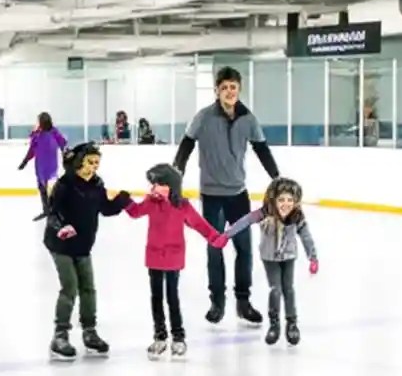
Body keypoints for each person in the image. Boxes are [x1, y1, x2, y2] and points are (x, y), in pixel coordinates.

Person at [173, 66, 280, 325]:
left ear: (238, 89)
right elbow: (185, 146)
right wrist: (176, 176)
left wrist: (277, 179)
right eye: (224, 87)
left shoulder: (249, 119)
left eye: (233, 87)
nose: (229, 92)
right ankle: (217, 302)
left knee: (244, 249)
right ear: (217, 90)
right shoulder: (203, 117)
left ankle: (243, 302)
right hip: (211, 195)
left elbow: (262, 150)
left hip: (238, 194)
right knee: (215, 248)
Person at [42, 143, 131, 360]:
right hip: (61, 245)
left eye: (96, 163)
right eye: (89, 162)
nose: (93, 168)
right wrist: (61, 227)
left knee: (89, 288)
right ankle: (60, 335)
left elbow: (105, 209)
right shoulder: (65, 185)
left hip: (83, 245)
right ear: (78, 162)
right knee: (70, 287)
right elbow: (52, 214)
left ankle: (89, 332)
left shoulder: (97, 185)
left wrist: (121, 201)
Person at [124, 164, 221, 359]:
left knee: (172, 297)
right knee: (156, 298)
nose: (153, 188)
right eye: (152, 184)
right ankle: (160, 336)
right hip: (154, 257)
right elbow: (135, 212)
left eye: (157, 184)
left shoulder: (182, 206)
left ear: (169, 185)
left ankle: (178, 337)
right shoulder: (151, 202)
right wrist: (123, 201)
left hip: (173, 258)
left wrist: (214, 237)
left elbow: (199, 224)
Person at [215, 178, 319, 346]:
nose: (286, 204)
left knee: (289, 289)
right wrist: (227, 234)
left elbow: (306, 236)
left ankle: (292, 323)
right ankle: (274, 324)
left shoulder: (297, 216)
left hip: (289, 256)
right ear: (274, 200)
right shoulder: (264, 213)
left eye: (290, 200)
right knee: (276, 289)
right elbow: (245, 221)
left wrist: (312, 257)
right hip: (269, 257)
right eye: (281, 200)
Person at [19, 112, 67, 220]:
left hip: (50, 166)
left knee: (51, 188)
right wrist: (25, 161)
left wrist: (66, 155)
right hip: (41, 166)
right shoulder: (38, 134)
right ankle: (46, 210)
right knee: (42, 188)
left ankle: (54, 210)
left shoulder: (53, 132)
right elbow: (32, 150)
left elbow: (63, 143)